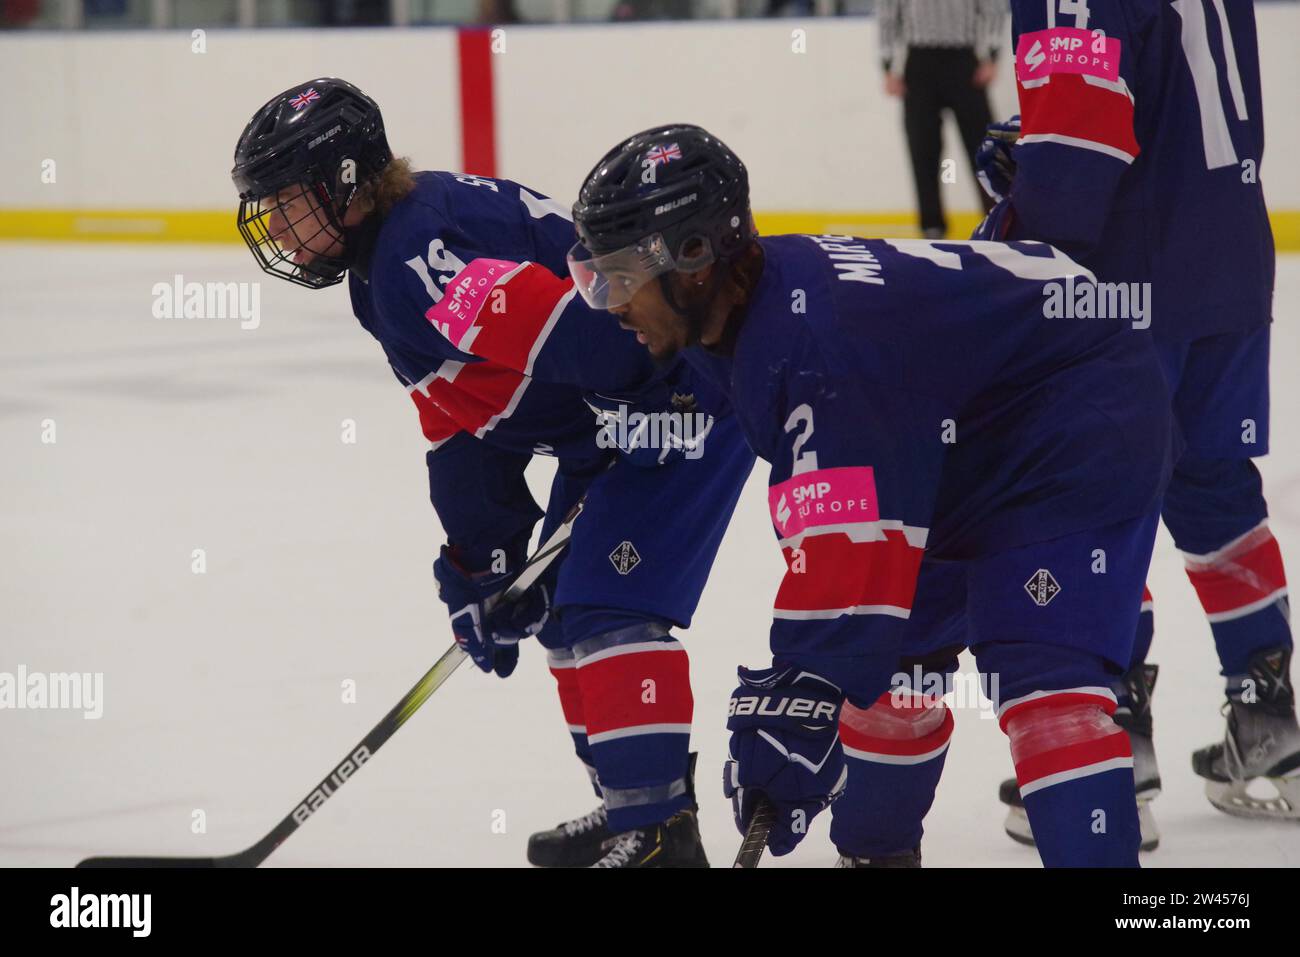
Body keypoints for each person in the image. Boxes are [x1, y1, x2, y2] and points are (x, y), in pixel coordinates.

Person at [568, 124, 1176, 867]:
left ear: (694, 260)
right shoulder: (741, 315)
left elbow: (844, 562)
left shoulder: (820, 349)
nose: (610, 301)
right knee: (897, 666)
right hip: (961, 421)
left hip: (1080, 403)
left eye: (621, 275)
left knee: (1042, 682)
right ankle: (876, 855)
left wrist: (802, 694)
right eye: (595, 276)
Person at [231, 80, 755, 868]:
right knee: (559, 614)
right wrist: (487, 556)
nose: (274, 222)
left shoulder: (416, 254)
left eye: (285, 200)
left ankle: (658, 835)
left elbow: (578, 333)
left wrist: (655, 399)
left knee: (605, 607)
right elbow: (462, 422)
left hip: (684, 391)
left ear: (343, 183)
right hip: (614, 421)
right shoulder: (384, 268)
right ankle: (630, 810)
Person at [972, 0, 1296, 846]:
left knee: (1090, 500)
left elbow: (1080, 133)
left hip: (1124, 274)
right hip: (1228, 260)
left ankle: (1114, 747)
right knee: (1216, 485)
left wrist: (1023, 230)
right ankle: (1272, 721)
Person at [878, 0, 1005, 238]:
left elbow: (993, 8)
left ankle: (996, 220)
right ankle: (931, 225)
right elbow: (888, 15)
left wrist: (992, 55)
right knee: (922, 147)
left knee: (983, 148)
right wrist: (887, 66)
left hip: (963, 60)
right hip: (919, 62)